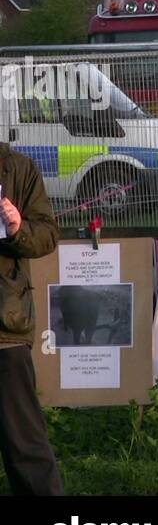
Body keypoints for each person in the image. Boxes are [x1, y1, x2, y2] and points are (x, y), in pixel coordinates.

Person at [0, 141, 62, 495]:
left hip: (4, 329)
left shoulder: (19, 168)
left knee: (24, 444)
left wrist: (17, 228)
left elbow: (48, 234)